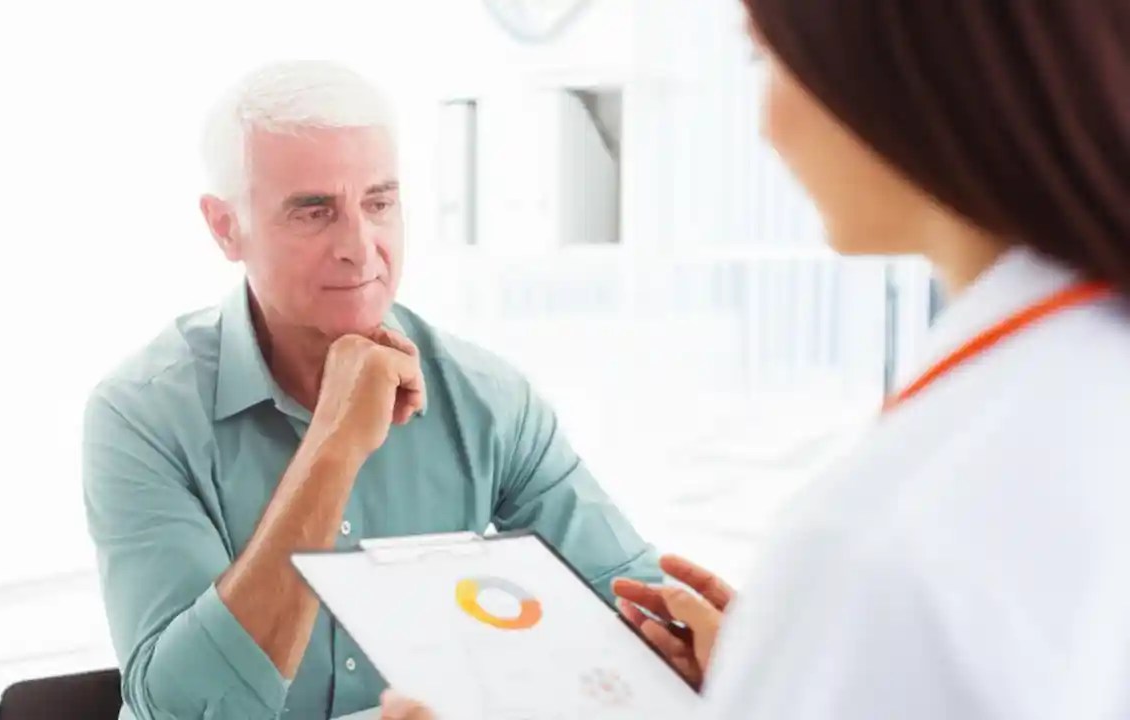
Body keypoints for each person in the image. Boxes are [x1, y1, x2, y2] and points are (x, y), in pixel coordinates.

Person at [382, 1, 1130, 718]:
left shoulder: (884, 542)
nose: (764, 128)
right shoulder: (1076, 382)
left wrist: (811, 649)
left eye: (762, 57)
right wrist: (784, 669)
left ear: (896, 71)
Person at [81, 61, 660, 720]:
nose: (361, 246)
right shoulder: (141, 415)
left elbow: (637, 620)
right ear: (225, 228)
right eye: (314, 211)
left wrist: (712, 642)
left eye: (379, 203)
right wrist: (334, 446)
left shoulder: (488, 399)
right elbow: (187, 710)